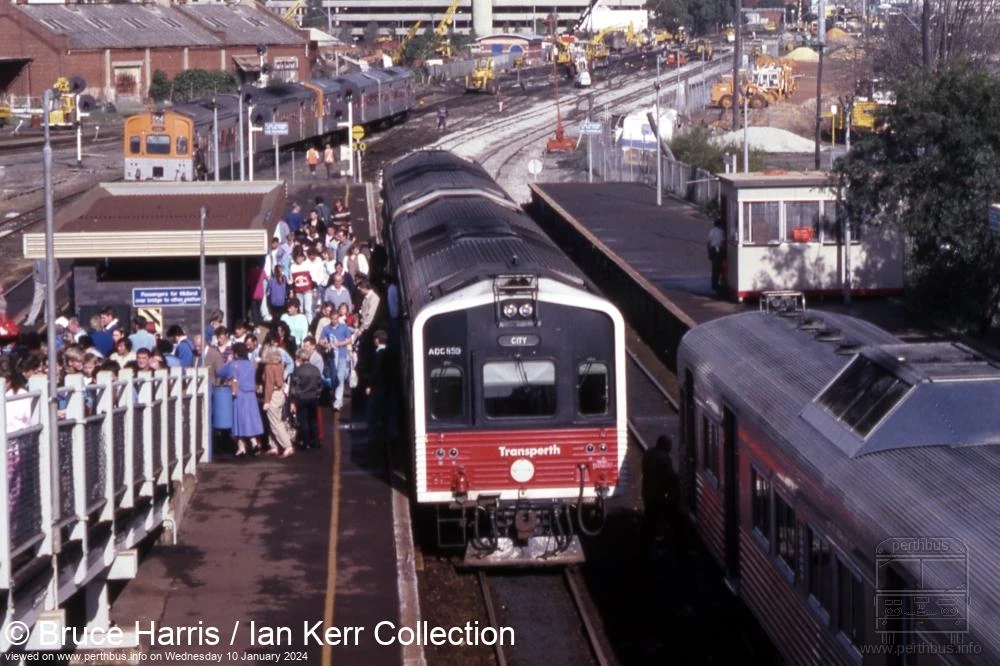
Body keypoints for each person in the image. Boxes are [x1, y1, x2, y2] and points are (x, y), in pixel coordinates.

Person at [216, 342, 264, 457]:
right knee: (250, 420)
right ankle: (252, 443)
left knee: (238, 421)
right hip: (251, 395)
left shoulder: (233, 364)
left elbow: (220, 373)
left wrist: (228, 361)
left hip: (239, 395)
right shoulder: (253, 365)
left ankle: (242, 447)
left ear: (235, 353)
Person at [641, 435, 679, 550]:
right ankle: (657, 540)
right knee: (660, 517)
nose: (671, 447)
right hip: (658, 494)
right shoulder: (663, 457)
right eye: (669, 445)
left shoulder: (648, 453)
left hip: (647, 491)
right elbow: (670, 476)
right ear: (664, 445)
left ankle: (646, 539)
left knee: (649, 516)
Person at [261, 348, 295, 457]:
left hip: (273, 395)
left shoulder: (269, 367)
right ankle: (274, 445)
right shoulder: (280, 364)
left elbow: (269, 386)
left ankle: (287, 446)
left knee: (275, 423)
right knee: (274, 420)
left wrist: (266, 401)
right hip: (280, 394)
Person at [289, 348, 323, 449]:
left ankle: (305, 441)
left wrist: (293, 400)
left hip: (302, 398)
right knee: (313, 419)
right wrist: (317, 395)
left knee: (303, 420)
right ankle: (315, 441)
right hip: (313, 397)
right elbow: (320, 385)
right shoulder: (315, 369)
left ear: (300, 358)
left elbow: (294, 386)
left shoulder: (298, 371)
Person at [24, 258, 58, 328]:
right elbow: (34, 270)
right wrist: (35, 279)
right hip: (39, 283)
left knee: (49, 302)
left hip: (49, 283)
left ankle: (48, 319)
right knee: (36, 302)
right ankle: (31, 320)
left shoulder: (52, 258)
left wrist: (55, 280)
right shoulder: (37, 259)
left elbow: (57, 270)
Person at [707, 219, 726, 292]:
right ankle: (718, 284)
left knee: (714, 268)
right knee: (719, 268)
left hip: (712, 249)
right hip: (718, 250)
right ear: (720, 225)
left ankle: (714, 283)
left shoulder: (711, 231)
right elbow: (722, 242)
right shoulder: (721, 232)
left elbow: (708, 243)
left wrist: (709, 253)